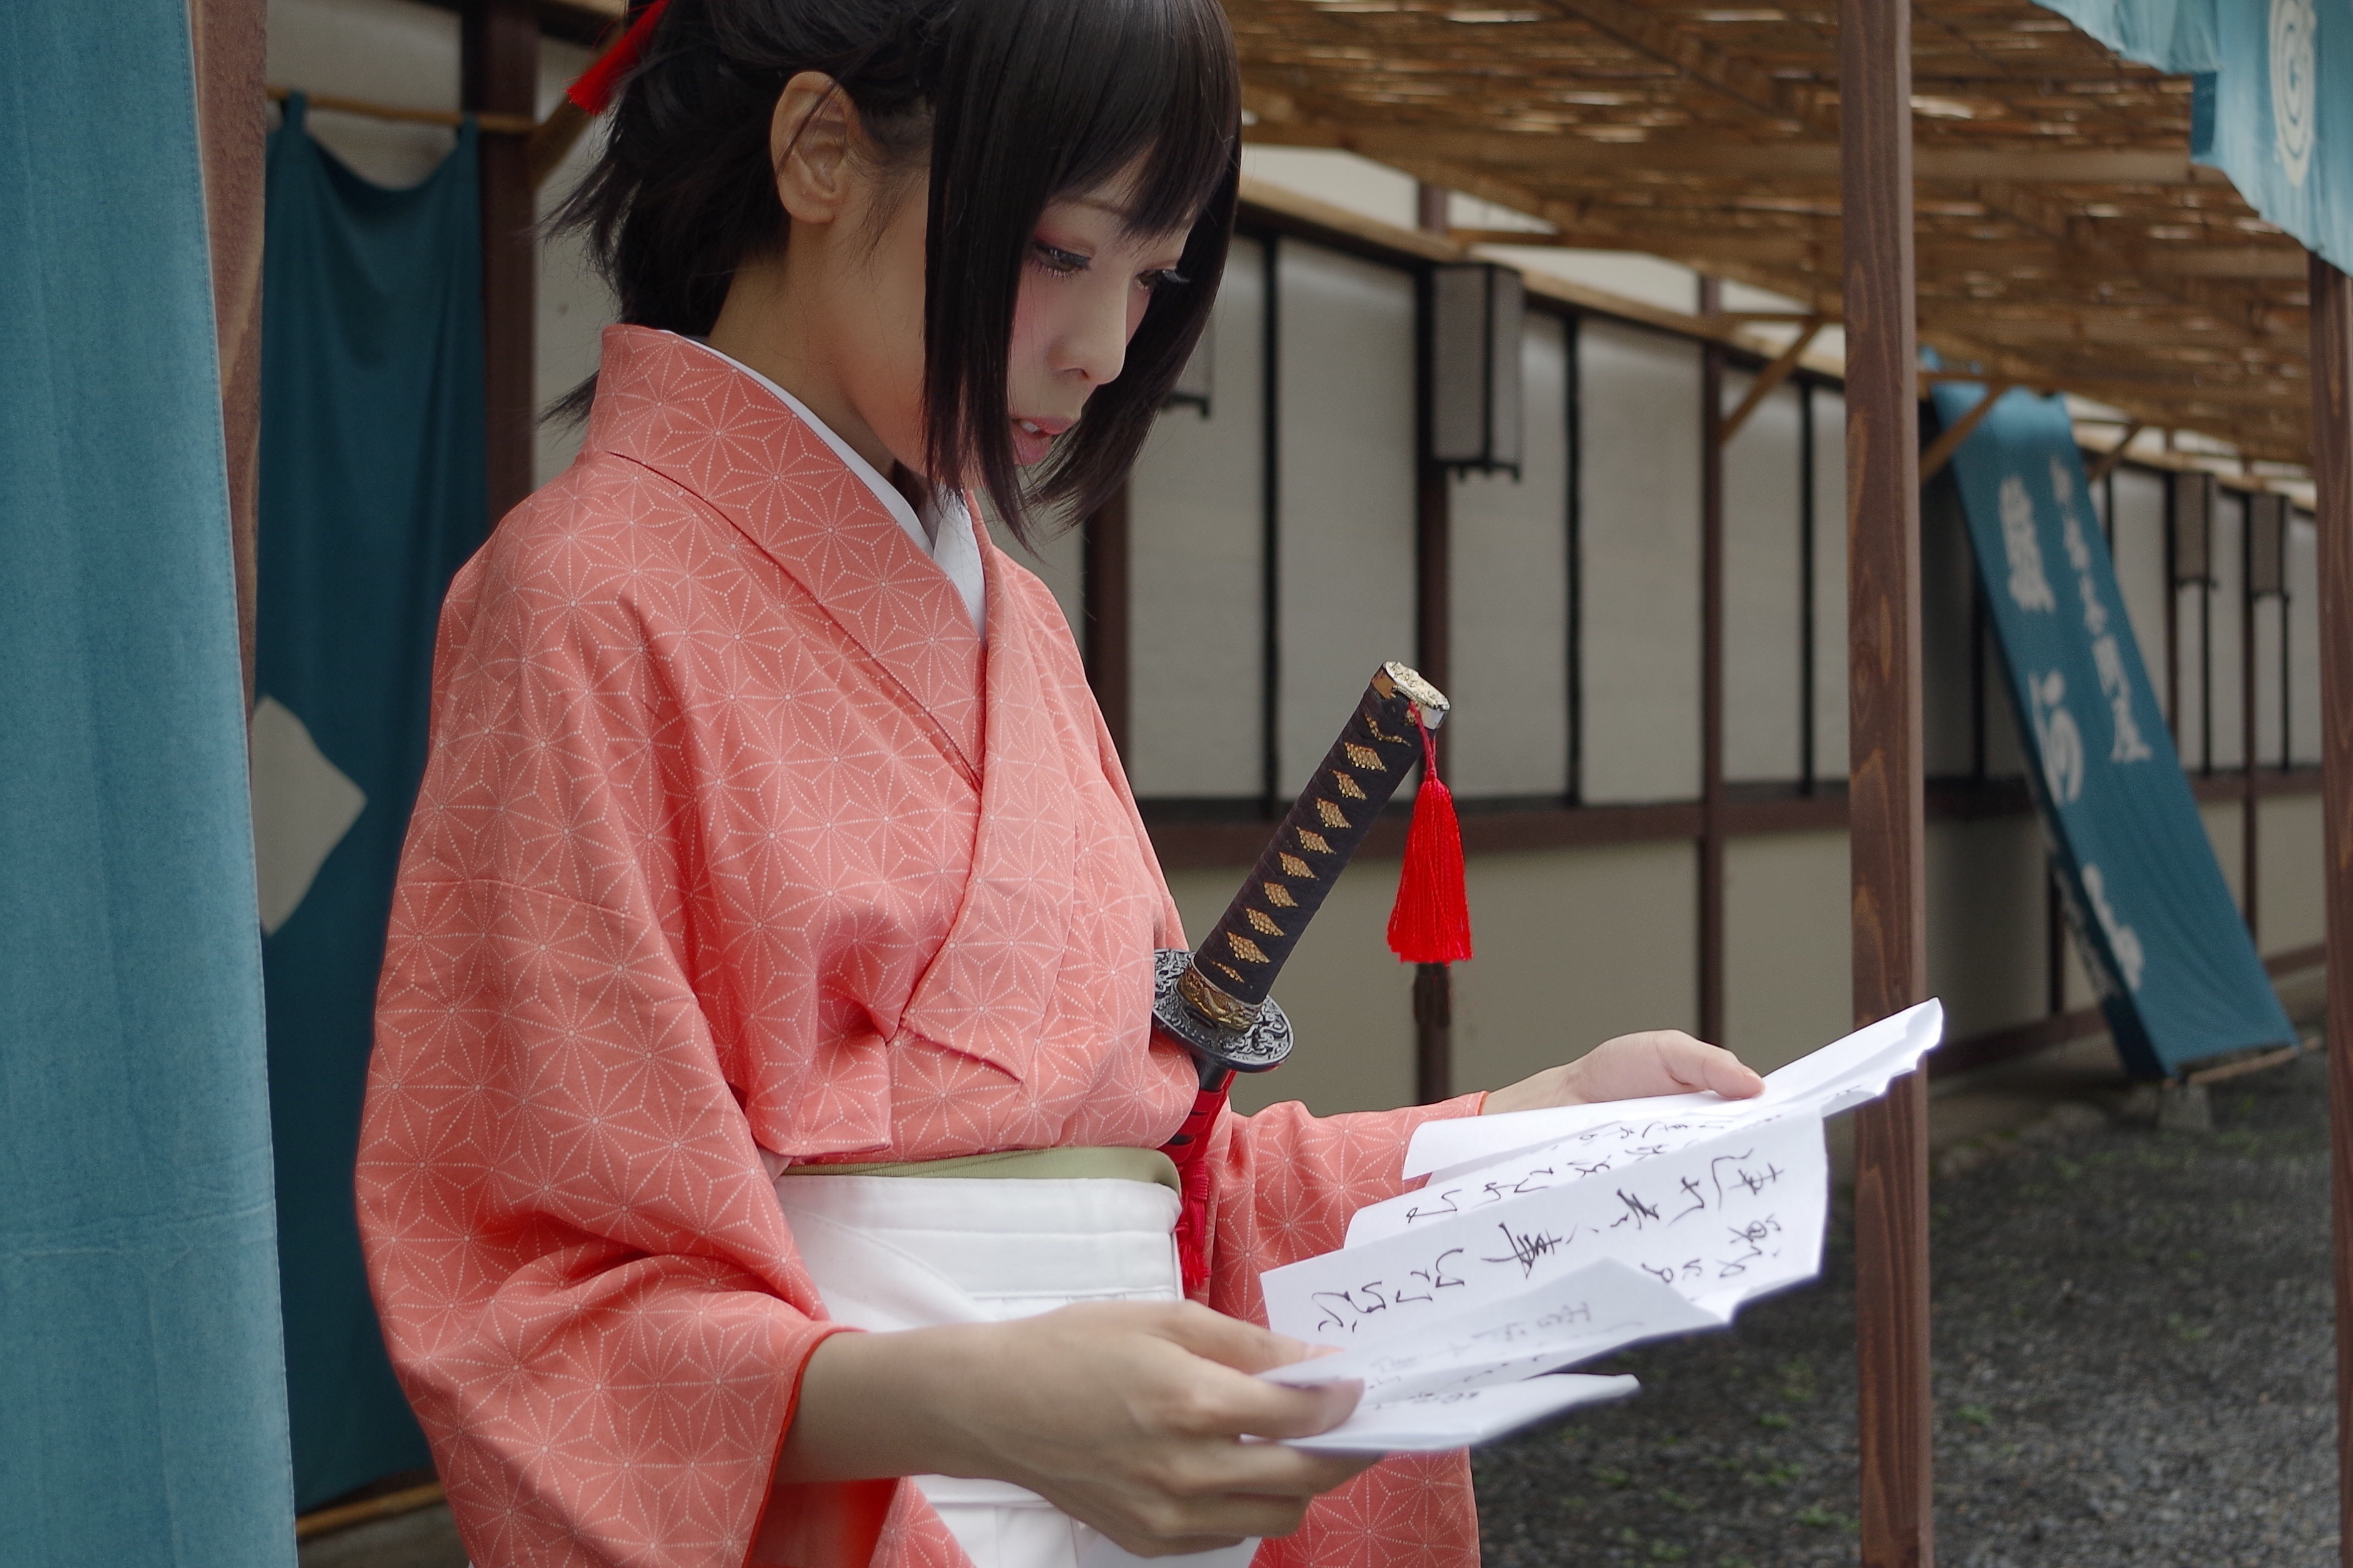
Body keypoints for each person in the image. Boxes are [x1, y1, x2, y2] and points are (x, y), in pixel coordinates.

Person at [354, 3, 1765, 1567]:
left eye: (1151, 280)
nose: (1104, 350)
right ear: (820, 150)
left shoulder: (1010, 616)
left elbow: (1162, 1176)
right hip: (896, 1514)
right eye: (1056, 253)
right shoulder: (586, 600)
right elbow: (535, 1289)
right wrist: (969, 1402)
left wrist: (1530, 1129)